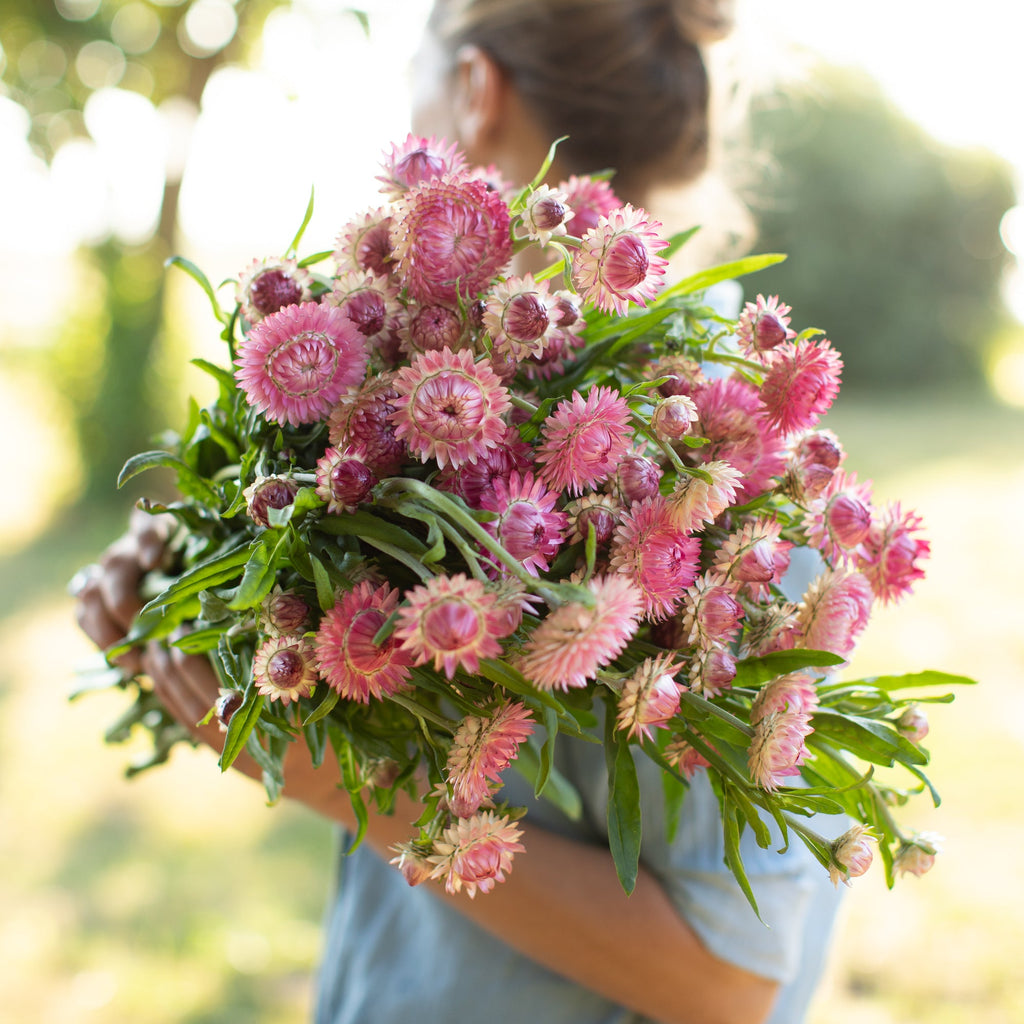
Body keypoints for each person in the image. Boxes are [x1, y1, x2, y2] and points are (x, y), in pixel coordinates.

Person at [75, 2, 845, 1022]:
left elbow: (729, 979)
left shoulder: (717, 461)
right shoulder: (414, 387)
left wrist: (359, 797)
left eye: (415, 87)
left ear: (474, 94)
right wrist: (191, 596)